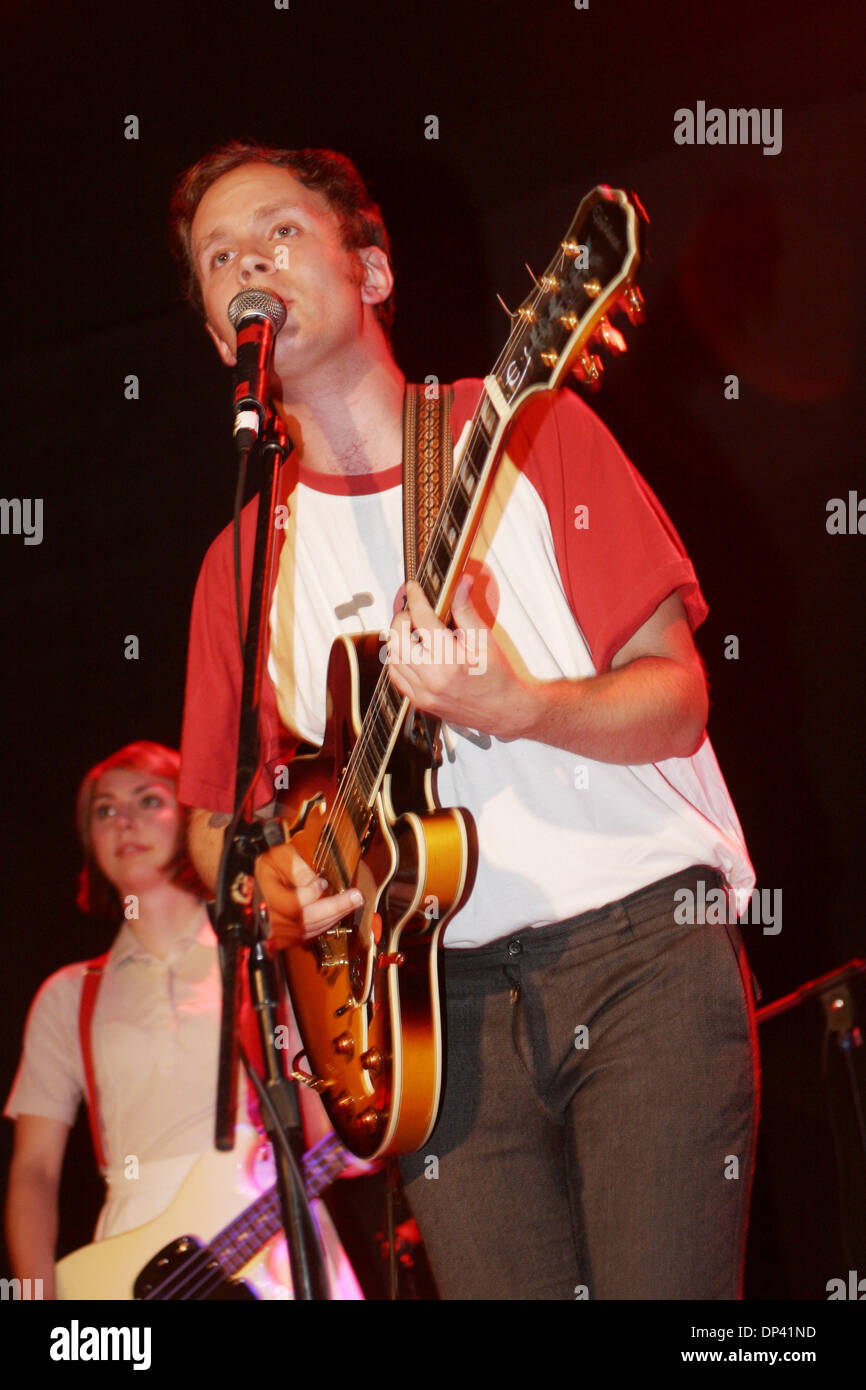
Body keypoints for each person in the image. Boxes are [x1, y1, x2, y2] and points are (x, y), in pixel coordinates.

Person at [171, 141, 760, 1300]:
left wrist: (523, 707)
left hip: (635, 952)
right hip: (426, 1021)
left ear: (371, 271)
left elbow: (677, 699)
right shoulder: (241, 560)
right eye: (219, 256)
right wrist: (276, 879)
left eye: (280, 231)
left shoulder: (533, 434)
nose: (250, 260)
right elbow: (212, 828)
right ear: (213, 330)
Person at [4, 740, 362, 1299]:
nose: (124, 821)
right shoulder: (67, 995)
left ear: (198, 823)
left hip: (274, 1250)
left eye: (149, 800)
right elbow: (35, 1172)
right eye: (104, 809)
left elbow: (328, 1129)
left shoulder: (265, 962)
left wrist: (364, 1130)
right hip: (128, 1269)